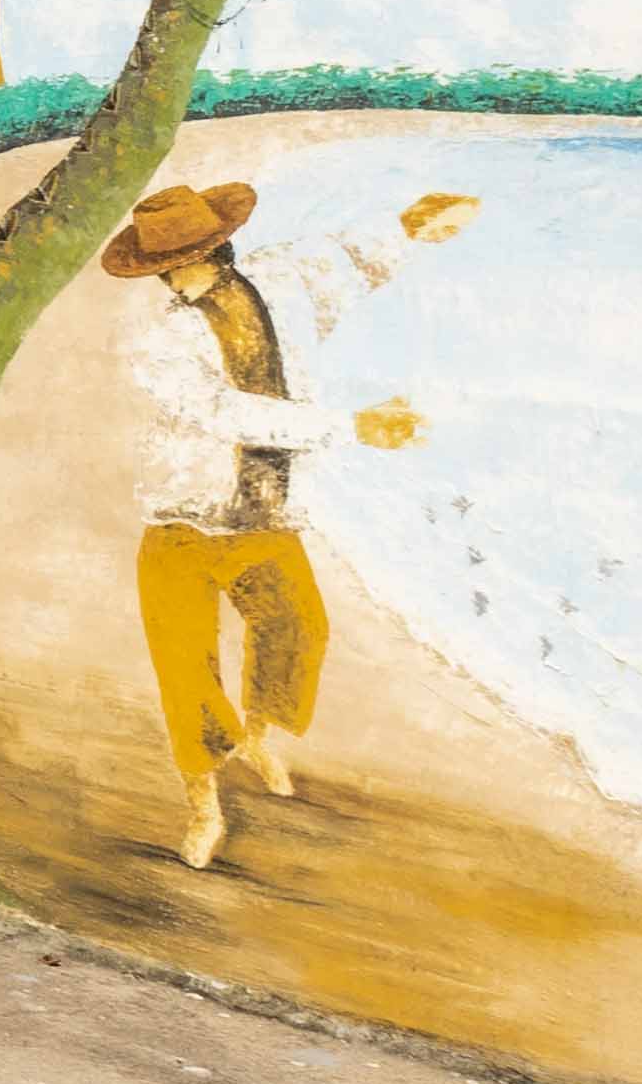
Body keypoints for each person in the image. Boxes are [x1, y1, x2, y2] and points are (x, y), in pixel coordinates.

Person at [103, 176, 439, 871]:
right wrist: (353, 426)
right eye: (168, 267)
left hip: (264, 513)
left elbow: (349, 263)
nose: (173, 279)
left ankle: (257, 736)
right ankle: (204, 805)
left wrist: (409, 227)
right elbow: (226, 414)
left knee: (298, 629)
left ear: (206, 251)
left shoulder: (280, 284)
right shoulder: (158, 338)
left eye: (176, 263)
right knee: (187, 670)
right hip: (182, 522)